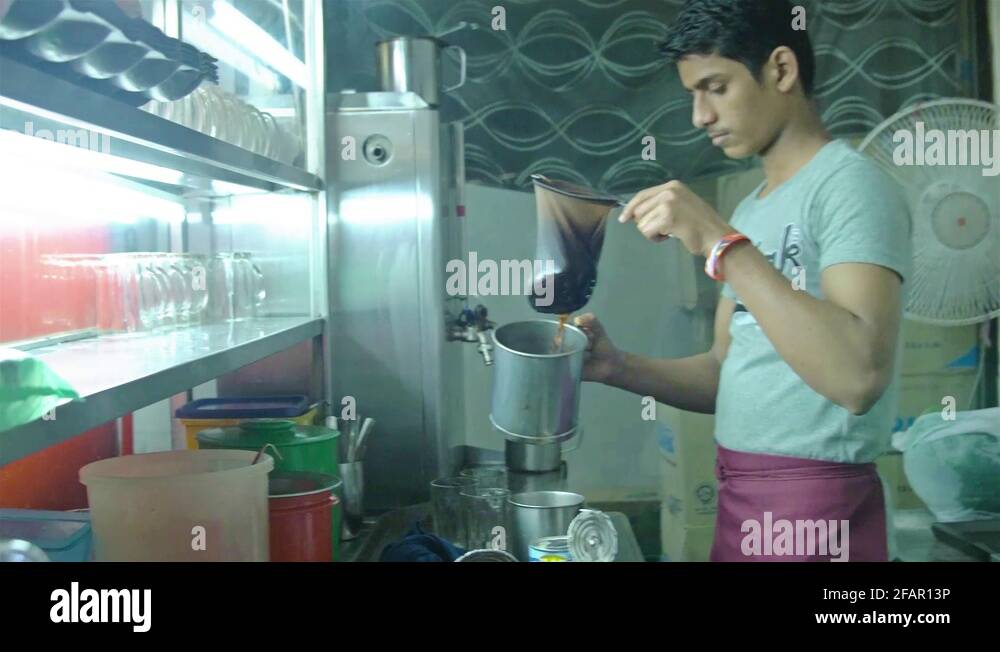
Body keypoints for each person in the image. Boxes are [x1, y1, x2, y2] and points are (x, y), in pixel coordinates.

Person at [574, 0, 912, 561]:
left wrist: (719, 242)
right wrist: (618, 367)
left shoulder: (850, 186)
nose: (699, 116)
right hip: (739, 498)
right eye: (692, 94)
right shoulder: (752, 210)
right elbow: (725, 372)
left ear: (781, 70)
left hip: (818, 507)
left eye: (716, 87)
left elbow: (858, 376)